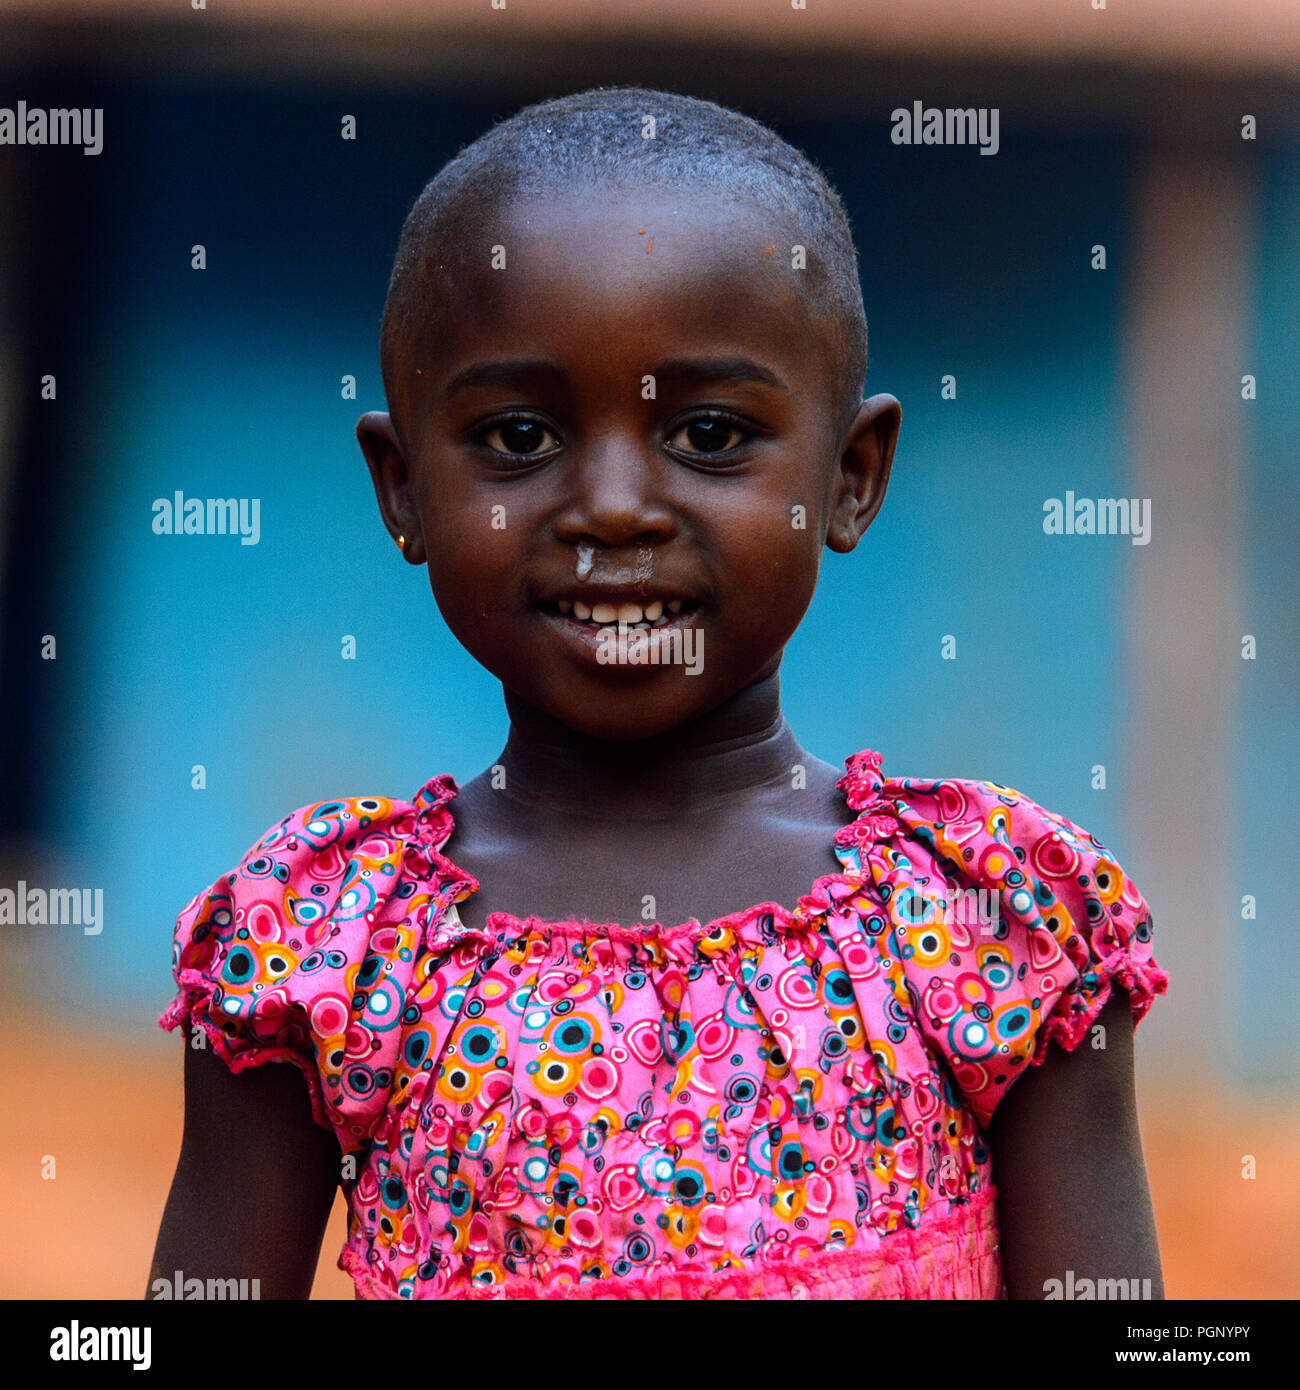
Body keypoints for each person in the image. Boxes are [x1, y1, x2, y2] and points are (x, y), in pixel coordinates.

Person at [149, 86, 1168, 1300]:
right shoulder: (328, 951)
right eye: (520, 438)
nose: (616, 508)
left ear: (850, 478)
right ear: (404, 488)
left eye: (711, 434)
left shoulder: (987, 921)